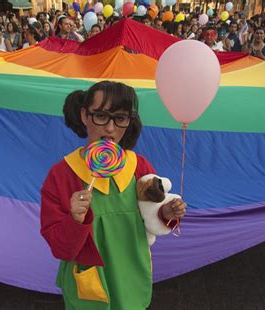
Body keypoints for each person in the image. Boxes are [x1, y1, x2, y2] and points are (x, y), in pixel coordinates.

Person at [40, 81, 186, 309]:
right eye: (100, 116)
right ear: (84, 115)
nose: (110, 128)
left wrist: (166, 212)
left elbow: (153, 219)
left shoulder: (139, 167)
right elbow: (61, 249)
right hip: (88, 281)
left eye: (120, 118)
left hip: (131, 276)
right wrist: (74, 220)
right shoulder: (62, 175)